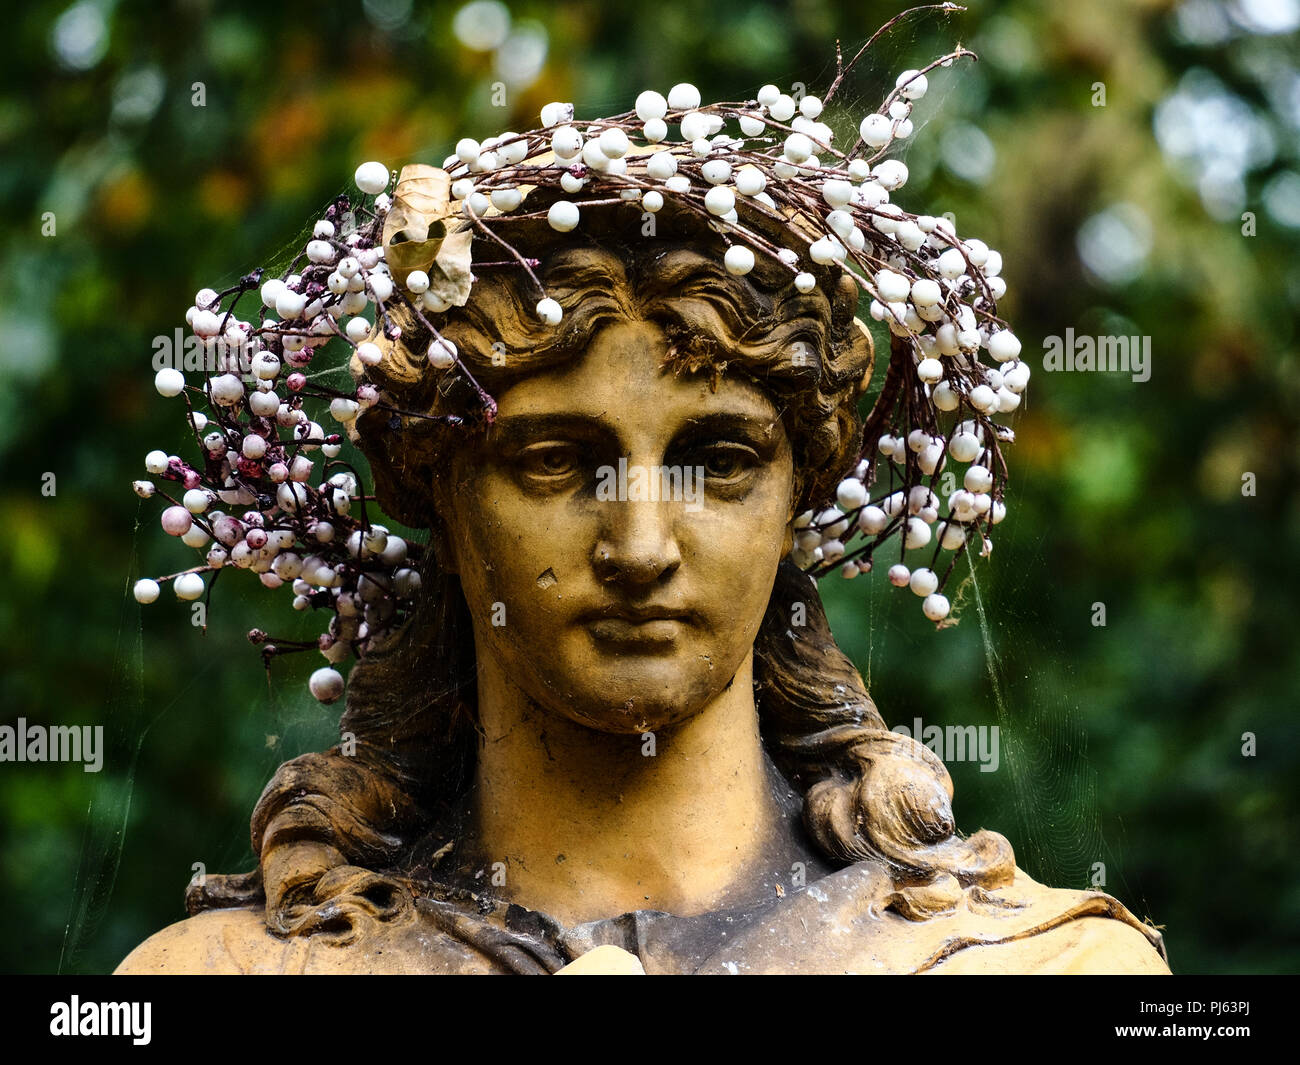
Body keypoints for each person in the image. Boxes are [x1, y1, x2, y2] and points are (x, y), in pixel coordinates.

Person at [117, 185, 1169, 974]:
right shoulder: (222, 978)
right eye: (554, 462)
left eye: (715, 462)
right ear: (437, 497)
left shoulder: (1035, 970)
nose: (640, 547)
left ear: (797, 495)